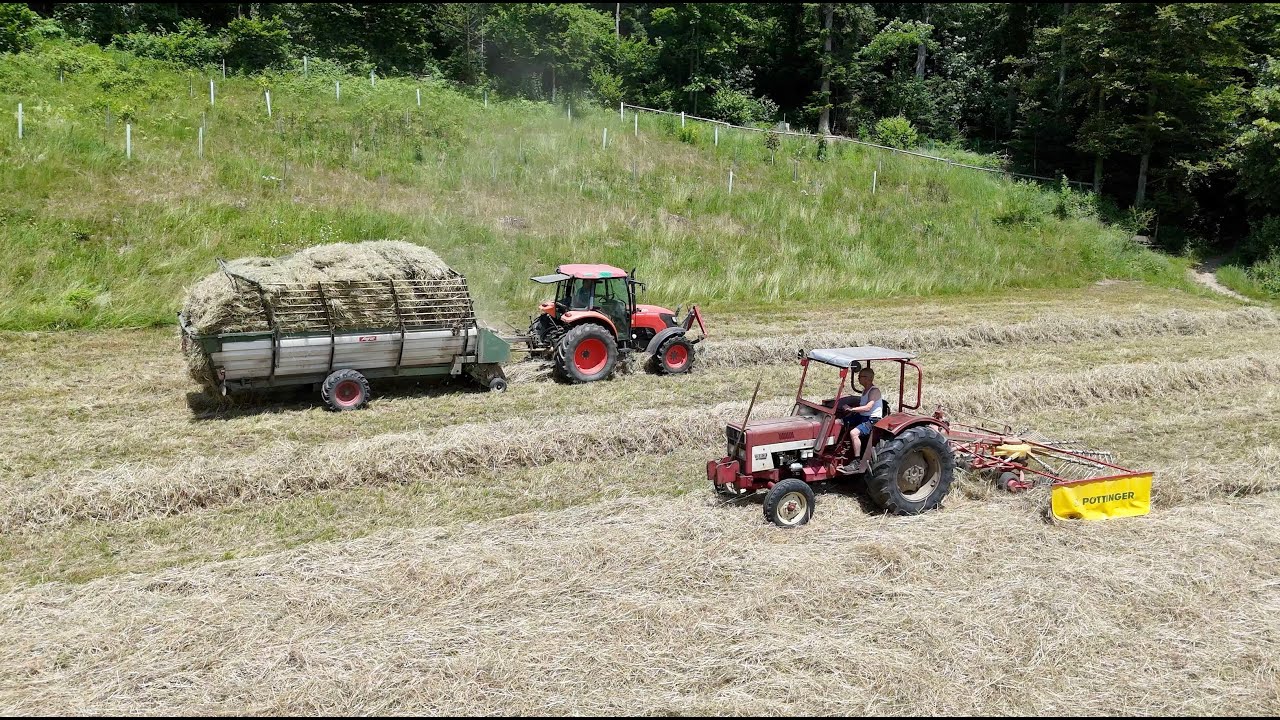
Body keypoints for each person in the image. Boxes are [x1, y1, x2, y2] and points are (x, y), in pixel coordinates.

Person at [836, 366, 882, 473]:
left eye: (860, 376)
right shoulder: (865, 390)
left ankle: (856, 462)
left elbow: (868, 407)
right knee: (842, 422)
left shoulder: (874, 391)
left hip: (872, 419)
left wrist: (851, 409)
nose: (858, 379)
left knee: (854, 433)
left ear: (868, 378)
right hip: (863, 416)